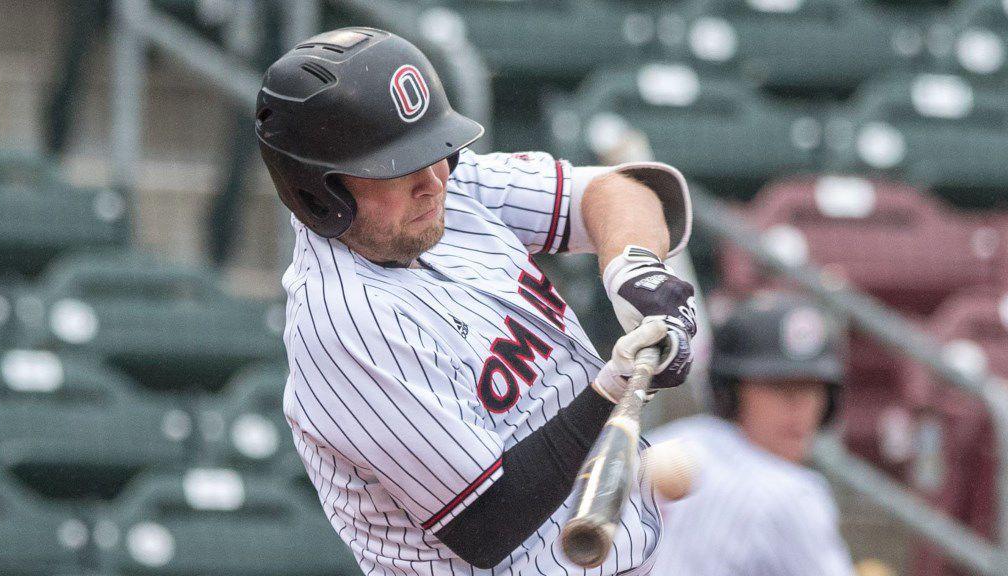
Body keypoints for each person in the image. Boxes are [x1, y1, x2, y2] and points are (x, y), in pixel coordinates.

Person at [255, 27, 698, 575]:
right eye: (398, 167)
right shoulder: (341, 324)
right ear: (317, 192)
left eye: (436, 151)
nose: (434, 179)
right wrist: (610, 389)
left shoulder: (443, 193)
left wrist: (633, 270)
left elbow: (625, 193)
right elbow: (487, 522)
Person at [647, 292, 855, 576]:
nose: (799, 408)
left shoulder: (660, 442)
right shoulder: (795, 495)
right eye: (778, 387)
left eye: (811, 388)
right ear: (730, 393)